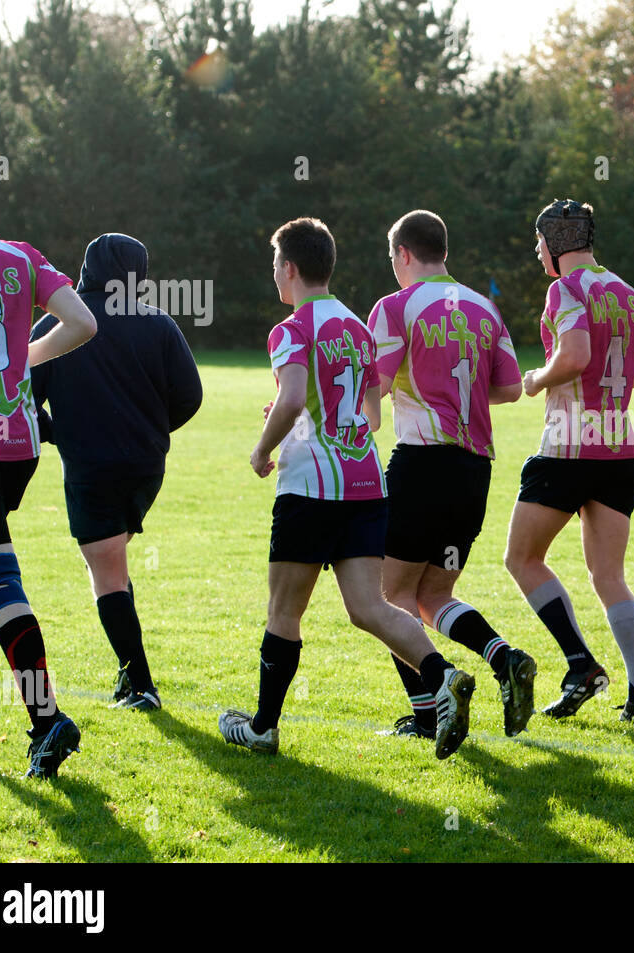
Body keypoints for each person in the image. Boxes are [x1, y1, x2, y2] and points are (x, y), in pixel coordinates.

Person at [218, 217, 474, 760]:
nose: (274, 279)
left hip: (311, 487)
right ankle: (445, 675)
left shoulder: (290, 330)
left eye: (274, 268)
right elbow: (369, 416)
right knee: (369, 608)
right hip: (364, 484)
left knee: (284, 612)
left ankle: (263, 727)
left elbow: (292, 401)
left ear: (289, 269)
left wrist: (264, 449)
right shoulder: (358, 329)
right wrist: (305, 410)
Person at [366, 210, 536, 740]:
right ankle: (504, 657)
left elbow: (378, 382)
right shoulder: (485, 308)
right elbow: (509, 389)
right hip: (473, 470)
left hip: (421, 463)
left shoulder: (395, 307)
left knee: (386, 597)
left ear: (403, 255)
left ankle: (426, 710)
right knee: (434, 594)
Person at [0, 184, 97, 776]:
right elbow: (82, 322)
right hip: (17, 440)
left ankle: (46, 719)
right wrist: (23, 360)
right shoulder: (16, 254)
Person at [503, 199, 634, 721]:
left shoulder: (564, 288)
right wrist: (603, 381)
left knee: (521, 559)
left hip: (570, 444)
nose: (536, 253)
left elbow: (573, 355)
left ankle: (580, 664)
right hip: (619, 448)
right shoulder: (626, 291)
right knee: (608, 575)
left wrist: (538, 379)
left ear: (552, 245)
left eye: (537, 244)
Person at [30, 233, 202, 712]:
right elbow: (190, 396)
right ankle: (131, 677)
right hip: (147, 467)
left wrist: (55, 432)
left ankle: (141, 685)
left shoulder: (61, 322)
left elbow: (21, 388)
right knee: (111, 563)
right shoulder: (157, 322)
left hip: (92, 466)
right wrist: (151, 430)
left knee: (105, 572)